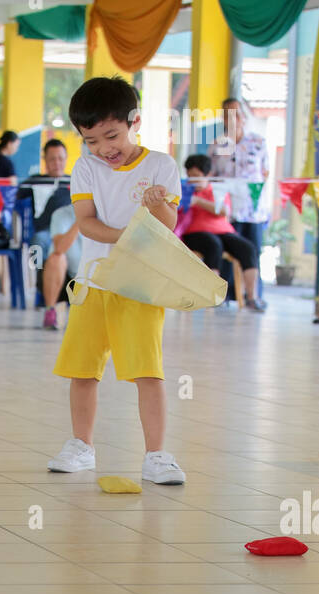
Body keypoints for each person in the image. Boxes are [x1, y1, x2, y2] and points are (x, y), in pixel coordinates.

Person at [49, 76, 185, 485]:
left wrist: (158, 207)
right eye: (90, 140)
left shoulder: (161, 165)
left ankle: (157, 456)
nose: (103, 149)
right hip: (94, 284)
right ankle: (81, 446)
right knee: (82, 370)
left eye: (111, 135)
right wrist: (131, 234)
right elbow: (87, 224)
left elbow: (168, 226)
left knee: (148, 371)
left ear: (134, 121)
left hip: (141, 285)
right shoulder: (86, 168)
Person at [181, 154, 265, 312]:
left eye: (197, 176)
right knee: (213, 245)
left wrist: (198, 202)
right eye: (190, 176)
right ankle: (214, 295)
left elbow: (224, 211)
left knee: (247, 248)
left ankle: (252, 298)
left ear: (208, 176)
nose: (193, 180)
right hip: (194, 232)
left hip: (223, 230)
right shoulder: (184, 190)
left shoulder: (218, 190)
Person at [209, 98, 269, 273]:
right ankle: (227, 295)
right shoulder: (217, 145)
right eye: (228, 114)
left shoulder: (259, 142)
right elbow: (212, 175)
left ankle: (252, 296)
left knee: (253, 252)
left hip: (253, 209)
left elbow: (265, 173)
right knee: (228, 253)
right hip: (227, 211)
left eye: (236, 113)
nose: (233, 118)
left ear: (244, 116)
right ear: (223, 119)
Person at [41, 204, 81, 329]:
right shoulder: (61, 214)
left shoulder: (107, 214)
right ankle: (50, 311)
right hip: (68, 277)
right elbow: (60, 248)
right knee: (56, 259)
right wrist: (83, 220)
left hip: (97, 275)